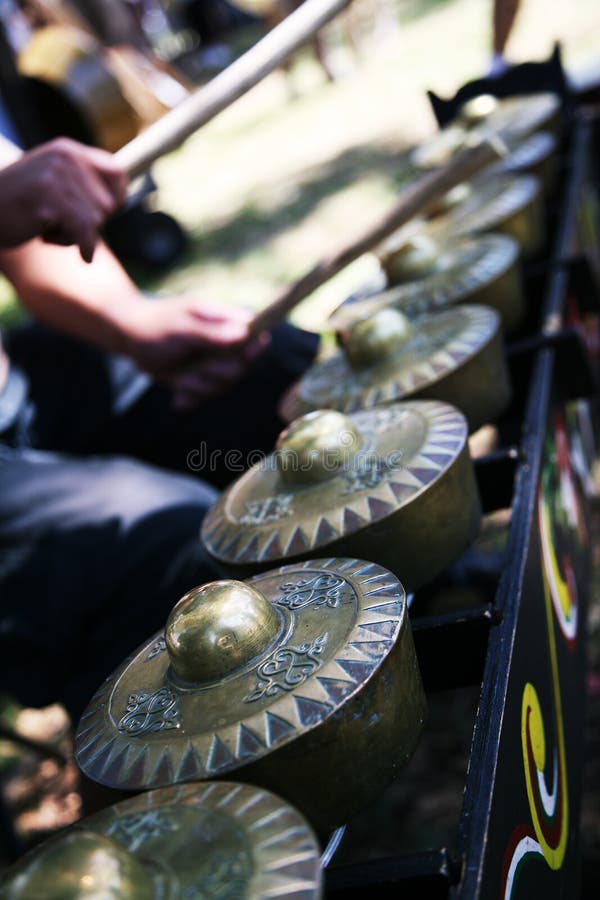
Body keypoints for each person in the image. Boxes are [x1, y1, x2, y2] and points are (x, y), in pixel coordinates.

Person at [0, 136, 318, 720]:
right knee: (165, 543)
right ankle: (183, 794)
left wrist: (130, 323)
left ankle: (402, 606)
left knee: (285, 376)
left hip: (20, 383)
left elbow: (25, 225)